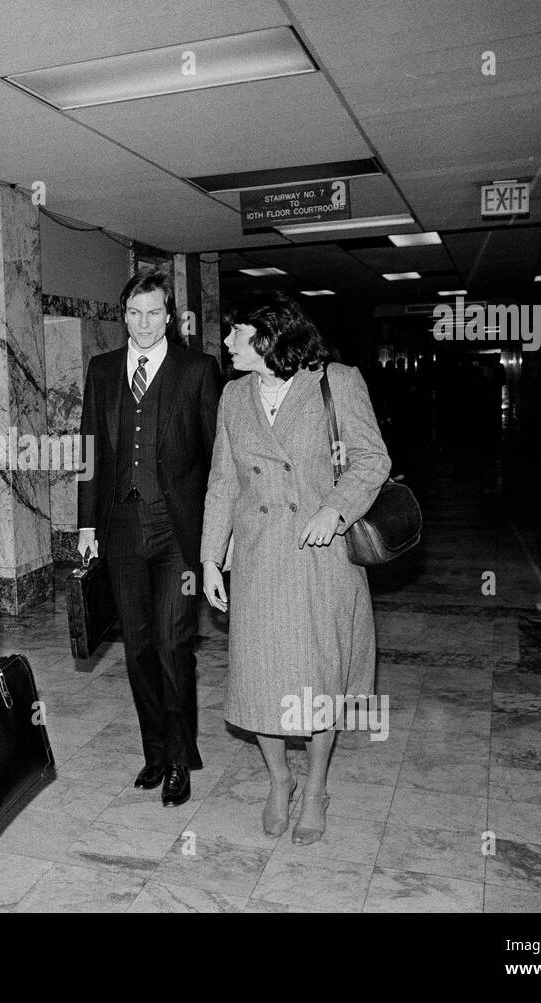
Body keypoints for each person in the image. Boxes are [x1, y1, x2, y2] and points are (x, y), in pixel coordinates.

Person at [200, 291, 389, 845]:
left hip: (319, 559)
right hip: (259, 559)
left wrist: (335, 509)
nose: (227, 341)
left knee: (318, 679)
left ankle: (316, 787)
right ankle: (280, 779)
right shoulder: (233, 396)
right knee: (261, 678)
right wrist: (210, 557)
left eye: (236, 331)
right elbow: (222, 481)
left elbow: (372, 459)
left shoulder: (336, 381)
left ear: (269, 336)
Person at [77, 270, 221, 808]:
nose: (143, 324)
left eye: (153, 313)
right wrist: (86, 525)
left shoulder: (197, 370)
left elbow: (217, 459)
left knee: (172, 644)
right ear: (124, 316)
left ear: (170, 317)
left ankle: (180, 758)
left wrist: (217, 538)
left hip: (177, 532)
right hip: (121, 529)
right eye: (134, 314)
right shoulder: (102, 370)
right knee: (136, 646)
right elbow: (90, 452)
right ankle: (155, 752)